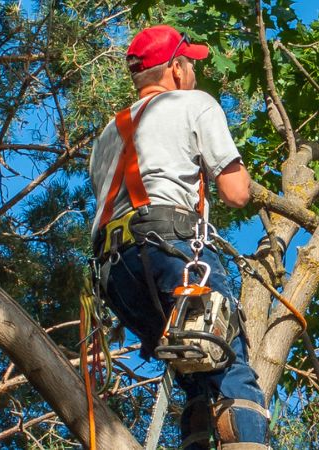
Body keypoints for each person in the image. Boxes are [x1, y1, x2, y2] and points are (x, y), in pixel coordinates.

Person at [88, 24, 269, 450]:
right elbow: (237, 192)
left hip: (116, 273)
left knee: (195, 375)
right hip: (171, 248)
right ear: (175, 69)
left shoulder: (106, 136)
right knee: (229, 366)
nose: (193, 74)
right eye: (190, 64)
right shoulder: (193, 104)